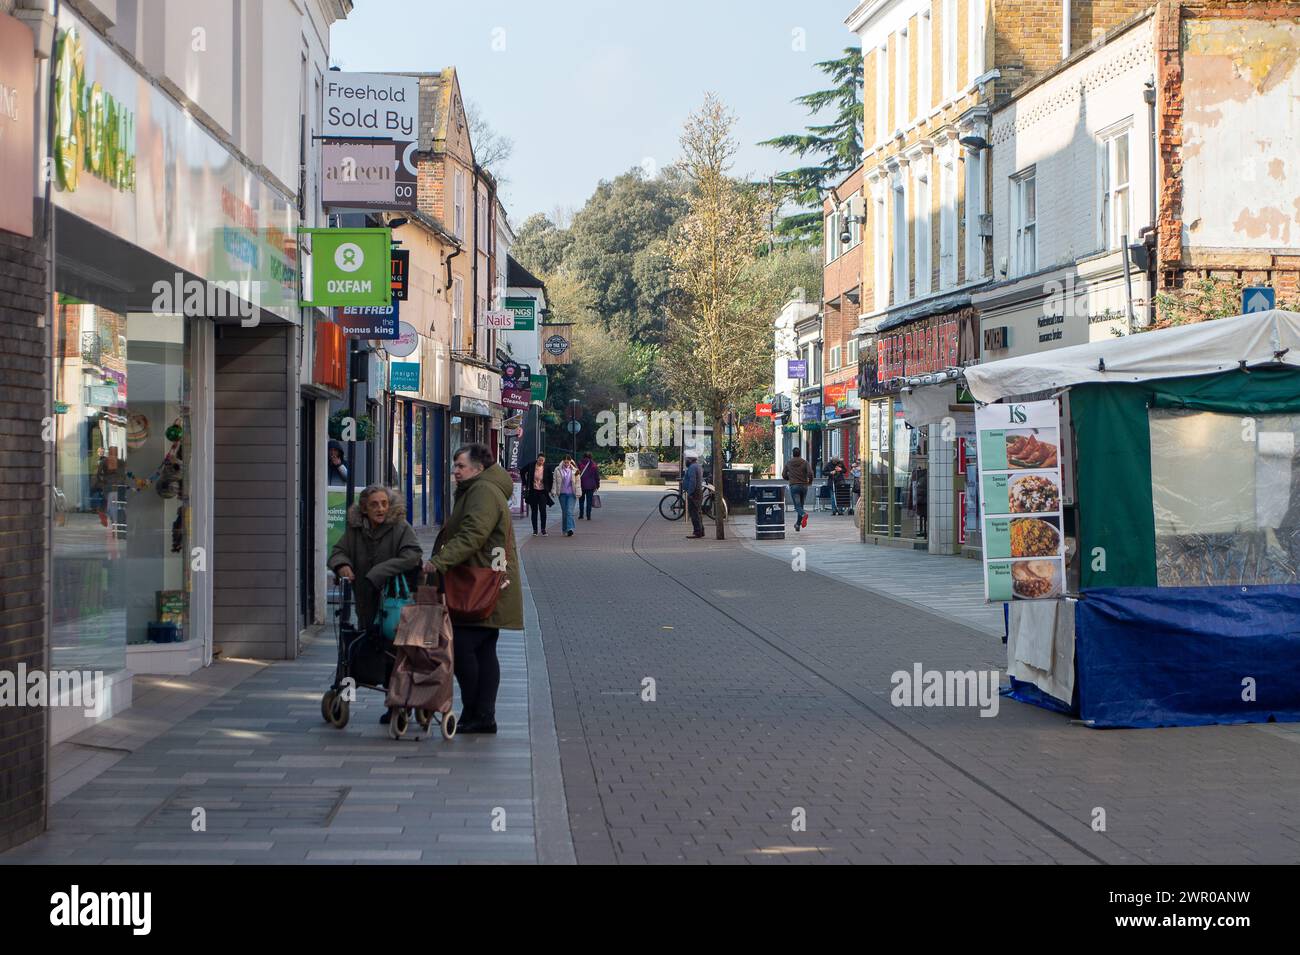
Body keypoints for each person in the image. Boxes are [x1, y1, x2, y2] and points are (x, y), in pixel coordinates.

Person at [423, 444, 522, 734]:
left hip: (479, 586)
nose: (455, 471)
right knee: (482, 650)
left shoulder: (482, 492)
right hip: (488, 581)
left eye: (461, 466)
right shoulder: (479, 489)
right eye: (454, 465)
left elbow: (473, 534)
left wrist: (438, 562)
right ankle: (481, 714)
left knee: (464, 648)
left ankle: (477, 712)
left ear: (478, 469)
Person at [327, 484, 422, 723]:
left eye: (384, 504)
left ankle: (396, 704)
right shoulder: (355, 530)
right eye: (374, 505)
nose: (380, 509)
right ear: (364, 509)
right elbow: (338, 551)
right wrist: (342, 565)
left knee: (394, 652)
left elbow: (413, 555)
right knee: (360, 648)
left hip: (393, 605)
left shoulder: (400, 528)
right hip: (366, 601)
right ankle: (346, 693)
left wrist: (379, 572)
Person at [782, 447, 813, 531]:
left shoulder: (789, 463)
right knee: (801, 505)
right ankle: (797, 525)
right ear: (800, 453)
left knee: (797, 506)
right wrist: (810, 482)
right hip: (804, 486)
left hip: (794, 486)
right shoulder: (804, 462)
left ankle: (803, 514)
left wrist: (789, 478)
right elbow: (810, 473)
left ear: (793, 453)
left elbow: (784, 474)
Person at [521, 453, 553, 535]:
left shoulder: (547, 467)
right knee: (534, 511)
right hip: (533, 491)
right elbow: (522, 471)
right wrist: (525, 482)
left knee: (543, 510)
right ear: (537, 459)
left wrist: (549, 488)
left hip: (543, 491)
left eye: (542, 460)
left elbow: (551, 479)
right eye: (539, 460)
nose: (541, 462)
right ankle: (535, 530)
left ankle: (543, 529)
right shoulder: (531, 465)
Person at [556, 454, 579, 536]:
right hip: (562, 494)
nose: (566, 464)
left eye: (568, 462)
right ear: (563, 461)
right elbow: (555, 481)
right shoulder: (558, 470)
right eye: (565, 462)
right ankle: (564, 529)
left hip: (571, 494)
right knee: (565, 512)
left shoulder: (575, 470)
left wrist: (579, 492)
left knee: (569, 511)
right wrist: (553, 491)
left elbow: (578, 483)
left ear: (570, 462)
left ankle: (570, 529)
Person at [682, 455, 705, 539]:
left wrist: (690, 492)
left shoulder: (692, 467)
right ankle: (700, 531)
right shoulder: (697, 466)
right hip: (698, 492)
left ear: (690, 460)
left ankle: (697, 532)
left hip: (694, 493)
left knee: (694, 513)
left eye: (686, 459)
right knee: (698, 512)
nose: (685, 461)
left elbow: (693, 481)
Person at [577, 452, 601, 520]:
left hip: (581, 484)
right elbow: (596, 476)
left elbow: (576, 474)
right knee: (589, 501)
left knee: (581, 500)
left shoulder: (579, 463)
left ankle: (581, 515)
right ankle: (588, 515)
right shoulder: (593, 464)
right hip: (591, 485)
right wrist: (597, 485)